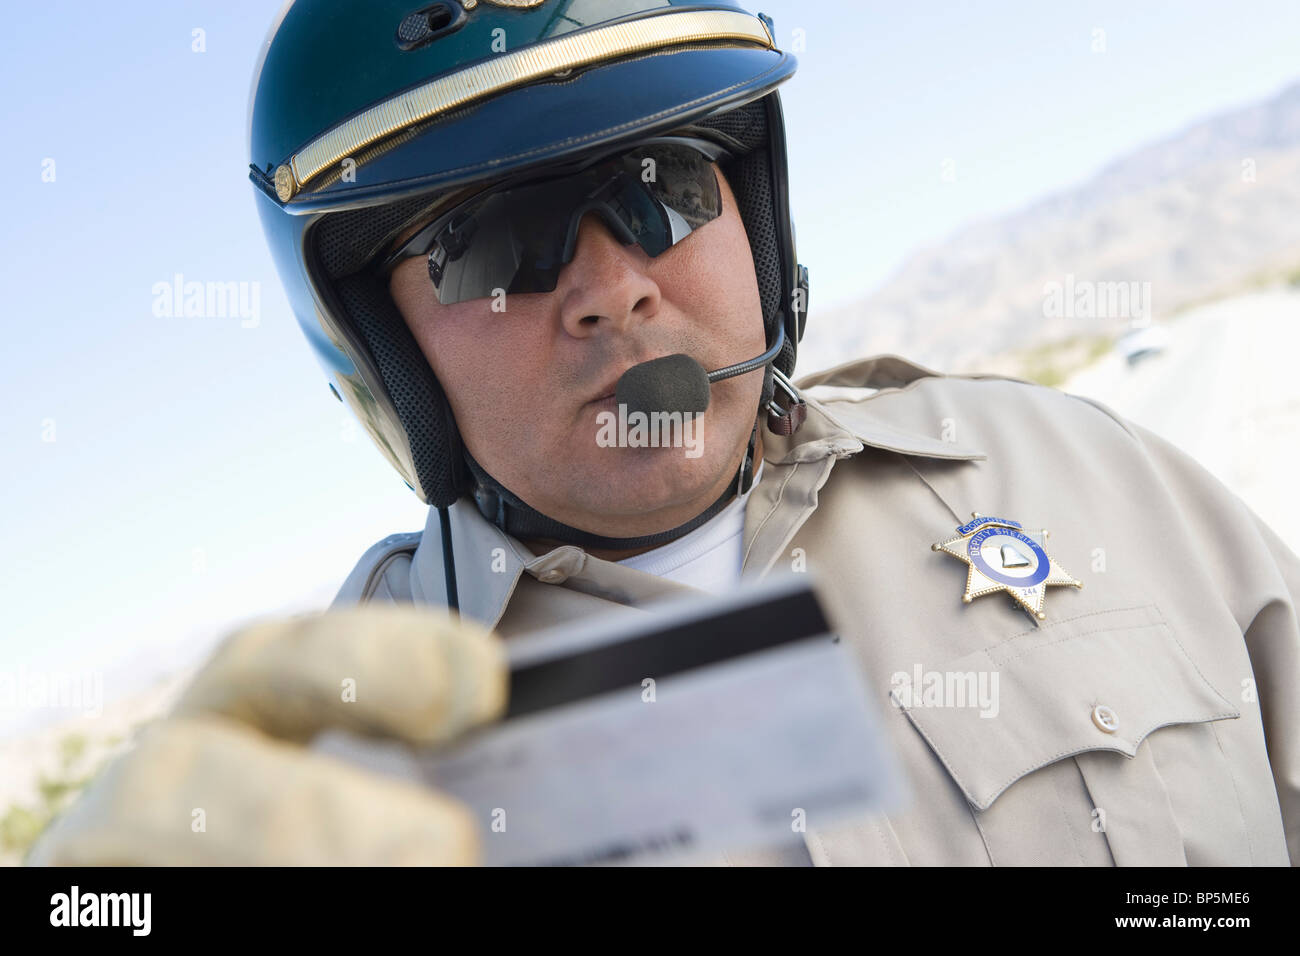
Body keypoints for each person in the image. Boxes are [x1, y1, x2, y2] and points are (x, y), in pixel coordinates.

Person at [30, 0, 1298, 866]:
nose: (610, 289)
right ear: (384, 353)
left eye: (662, 188)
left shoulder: (1082, 472)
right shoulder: (332, 770)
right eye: (489, 246)